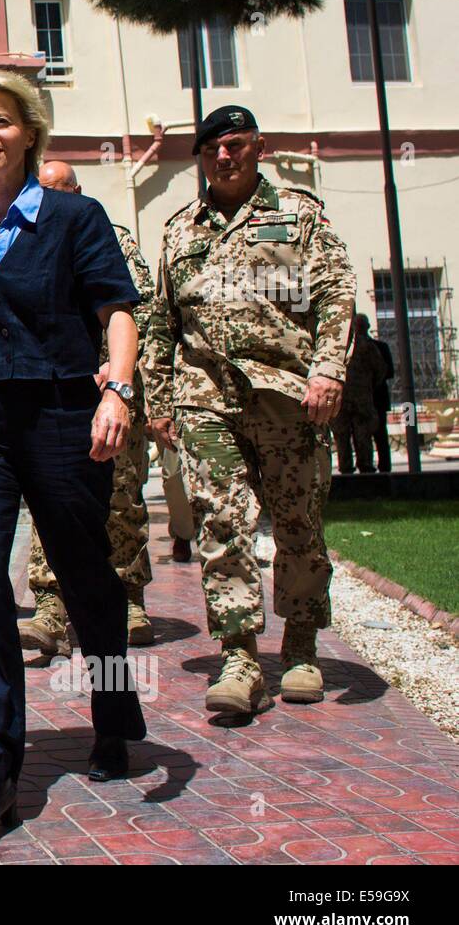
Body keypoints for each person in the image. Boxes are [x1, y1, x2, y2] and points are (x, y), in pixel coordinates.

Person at [0, 69, 146, 859]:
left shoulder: (74, 217)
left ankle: (116, 714)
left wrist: (116, 391)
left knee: (89, 579)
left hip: (64, 419)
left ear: (29, 133)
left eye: (0, 122)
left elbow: (115, 309)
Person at [143, 105, 355, 715]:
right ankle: (239, 656)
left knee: (297, 524)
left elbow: (337, 292)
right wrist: (158, 398)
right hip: (205, 396)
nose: (224, 158)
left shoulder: (299, 216)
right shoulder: (180, 228)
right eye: (212, 150)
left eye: (235, 145)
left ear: (258, 148)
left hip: (289, 398)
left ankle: (301, 647)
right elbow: (162, 319)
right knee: (219, 524)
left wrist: (329, 370)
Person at [20, 160, 154, 651]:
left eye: (62, 189)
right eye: (45, 189)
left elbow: (143, 317)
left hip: (115, 392)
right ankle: (51, 608)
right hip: (54, 396)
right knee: (48, 504)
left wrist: (130, 385)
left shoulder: (113, 239)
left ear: (78, 191)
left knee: (121, 497)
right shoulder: (26, 239)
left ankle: (128, 595)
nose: (54, 196)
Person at [332, 314, 389, 473]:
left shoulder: (338, 345)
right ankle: (364, 464)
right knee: (363, 432)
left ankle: (345, 465)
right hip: (361, 396)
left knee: (342, 433)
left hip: (341, 396)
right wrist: (369, 385)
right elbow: (380, 370)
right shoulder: (367, 346)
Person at [369, 319, 396, 472]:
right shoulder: (348, 348)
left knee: (380, 434)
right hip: (355, 401)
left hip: (377, 399)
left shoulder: (380, 347)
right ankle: (365, 467)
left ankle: (385, 466)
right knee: (360, 436)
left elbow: (388, 371)